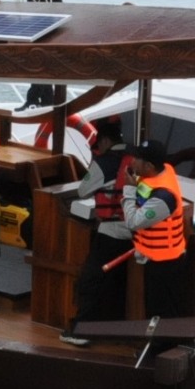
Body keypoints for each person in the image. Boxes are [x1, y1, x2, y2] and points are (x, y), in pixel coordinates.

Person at [62, 118, 130, 345]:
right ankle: (112, 330)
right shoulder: (134, 160)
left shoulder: (105, 162)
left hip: (111, 232)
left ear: (105, 140)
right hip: (134, 233)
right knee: (117, 284)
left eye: (98, 144)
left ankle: (81, 331)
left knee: (90, 280)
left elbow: (83, 190)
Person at [121, 138, 190, 320]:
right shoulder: (161, 171)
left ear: (149, 166)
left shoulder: (163, 197)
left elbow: (133, 221)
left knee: (162, 312)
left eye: (137, 159)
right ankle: (157, 345)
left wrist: (128, 190)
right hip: (153, 259)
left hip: (166, 262)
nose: (132, 161)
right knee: (154, 308)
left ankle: (161, 347)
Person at [21, 0, 62, 108]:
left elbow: (59, 5)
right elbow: (31, 6)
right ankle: (40, 100)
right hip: (36, 28)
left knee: (44, 65)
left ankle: (39, 100)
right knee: (36, 63)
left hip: (49, 29)